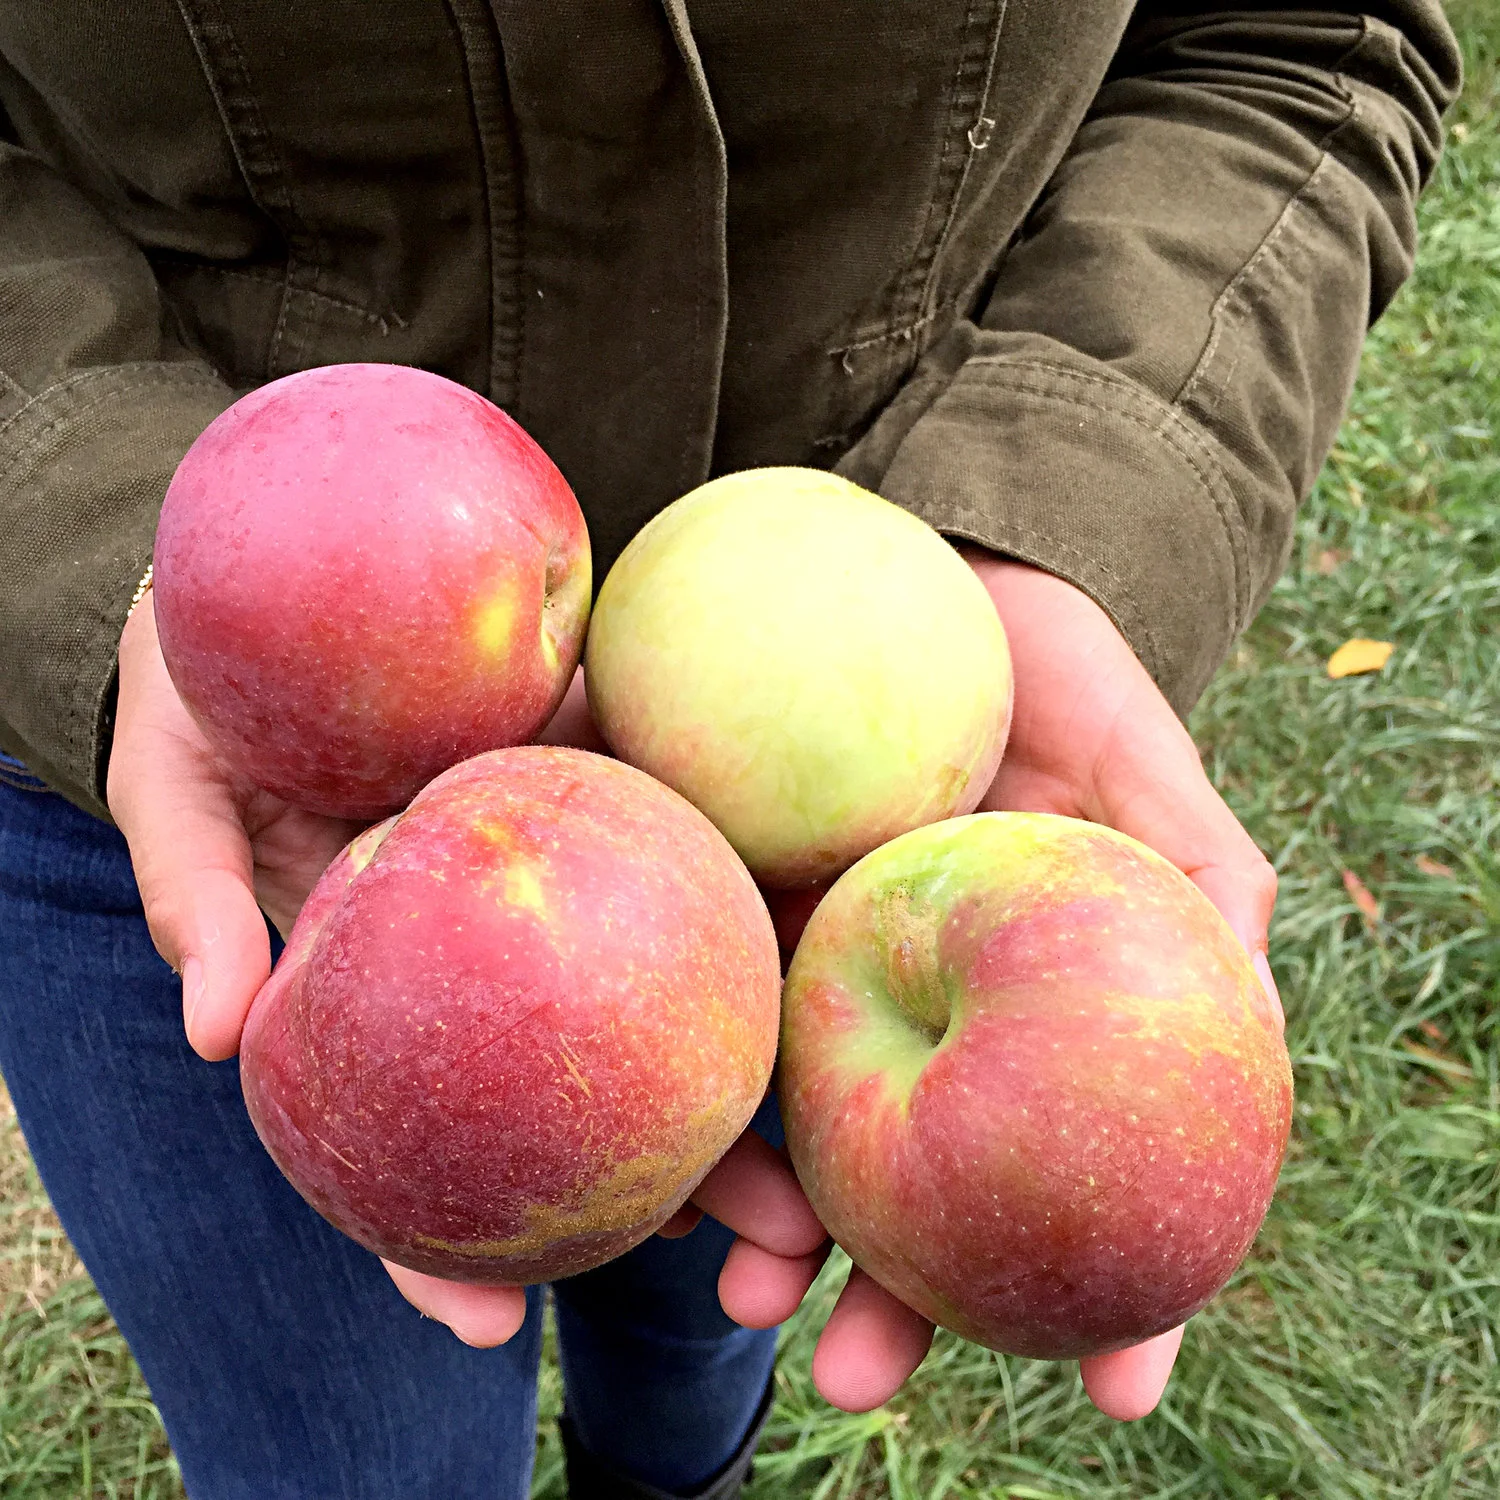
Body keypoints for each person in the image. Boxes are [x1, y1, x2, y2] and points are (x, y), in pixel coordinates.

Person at [0, 3, 1458, 1497]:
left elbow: (1303, 43)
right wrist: (103, 537)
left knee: (698, 1359)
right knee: (354, 1459)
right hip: (181, 748)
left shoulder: (871, 936)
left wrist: (1064, 501)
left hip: (819, 867)